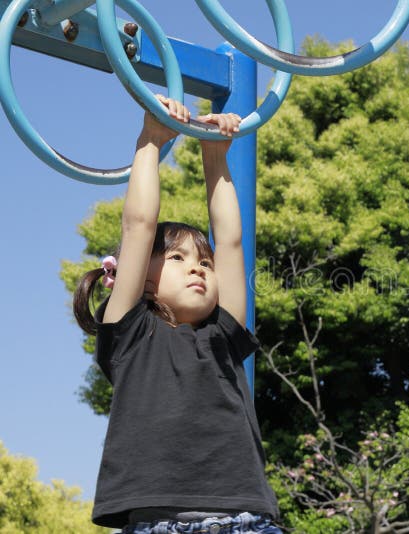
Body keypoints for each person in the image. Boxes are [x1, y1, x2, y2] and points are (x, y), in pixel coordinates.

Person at [72, 95, 281, 534]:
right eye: (178, 258)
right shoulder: (130, 334)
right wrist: (151, 139)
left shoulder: (223, 335)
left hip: (242, 520)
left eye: (203, 264)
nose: (197, 268)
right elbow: (140, 224)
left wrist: (215, 155)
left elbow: (229, 242)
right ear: (140, 275)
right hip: (156, 521)